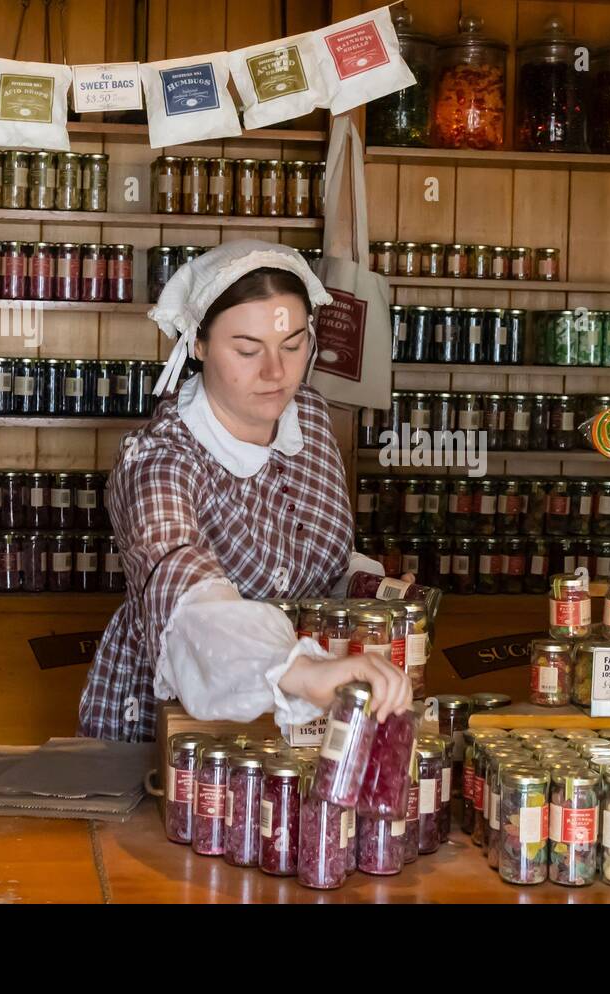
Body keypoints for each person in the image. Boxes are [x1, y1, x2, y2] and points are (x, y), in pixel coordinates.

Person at [78, 240, 410, 742]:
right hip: (174, 735)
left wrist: (373, 593)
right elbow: (189, 596)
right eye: (248, 350)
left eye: (293, 345)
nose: (275, 373)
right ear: (198, 344)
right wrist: (298, 671)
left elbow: (320, 558)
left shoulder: (312, 421)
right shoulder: (158, 459)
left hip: (304, 719)